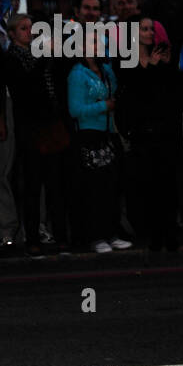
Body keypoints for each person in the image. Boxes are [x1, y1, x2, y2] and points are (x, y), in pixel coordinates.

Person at [3, 13, 69, 256]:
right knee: (32, 185)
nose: (29, 32)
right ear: (12, 34)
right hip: (30, 127)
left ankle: (60, 236)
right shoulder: (12, 59)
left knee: (54, 184)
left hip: (50, 124)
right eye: (23, 28)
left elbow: (55, 82)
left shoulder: (41, 54)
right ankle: (32, 237)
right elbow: (23, 88)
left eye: (31, 27)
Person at [118, 19, 180, 252]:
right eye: (144, 29)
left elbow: (169, 95)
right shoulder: (126, 60)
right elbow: (136, 96)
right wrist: (152, 67)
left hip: (164, 132)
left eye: (151, 29)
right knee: (148, 187)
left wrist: (164, 65)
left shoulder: (161, 59)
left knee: (167, 185)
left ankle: (170, 232)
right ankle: (154, 235)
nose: (149, 32)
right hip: (141, 135)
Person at [67, 45, 131, 254]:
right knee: (93, 188)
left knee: (111, 185)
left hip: (108, 132)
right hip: (88, 135)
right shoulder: (77, 74)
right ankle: (95, 236)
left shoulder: (106, 69)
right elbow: (75, 110)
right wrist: (103, 106)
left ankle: (111, 233)